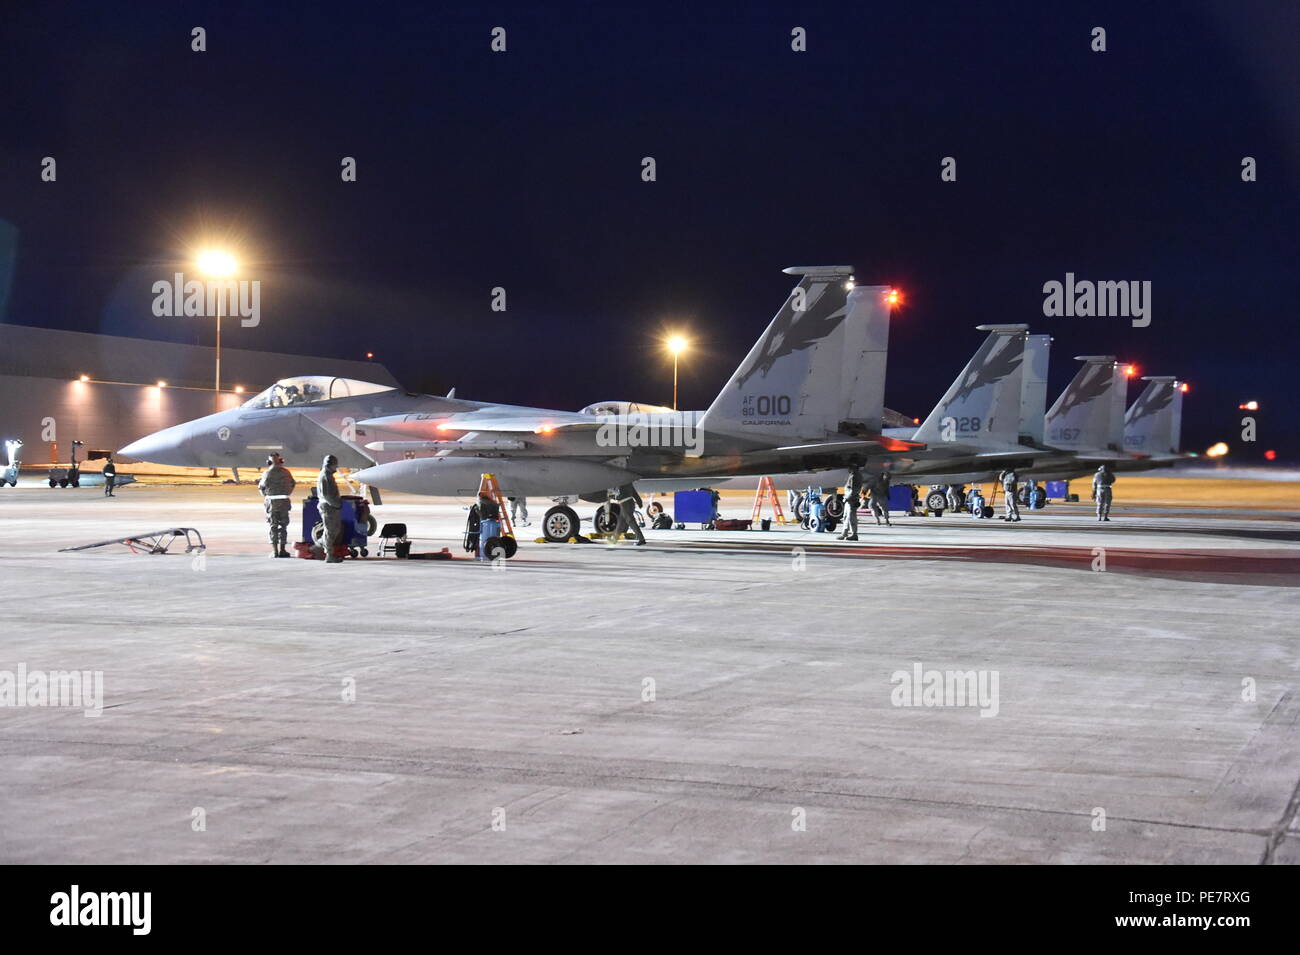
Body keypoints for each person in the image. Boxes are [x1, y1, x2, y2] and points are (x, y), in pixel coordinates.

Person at [258, 453, 296, 557]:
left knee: (273, 526)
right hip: (284, 501)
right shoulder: (286, 472)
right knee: (283, 526)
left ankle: (275, 551)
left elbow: (261, 487)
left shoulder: (267, 473)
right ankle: (282, 550)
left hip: (272, 503)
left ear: (269, 462)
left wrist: (265, 495)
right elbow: (292, 484)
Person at [317, 454, 344, 563]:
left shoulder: (327, 475)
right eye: (335, 465)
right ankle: (328, 554)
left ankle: (322, 545)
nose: (336, 467)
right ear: (330, 465)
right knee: (330, 530)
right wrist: (337, 504)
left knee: (334, 529)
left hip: (330, 506)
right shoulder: (326, 476)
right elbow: (327, 495)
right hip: (329, 507)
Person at [838, 466, 864, 541]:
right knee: (846, 516)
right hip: (849, 499)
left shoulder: (854, 476)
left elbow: (853, 490)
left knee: (851, 517)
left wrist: (847, 498)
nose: (848, 469)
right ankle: (844, 533)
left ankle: (854, 534)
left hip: (851, 500)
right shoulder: (855, 475)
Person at [477, 492, 501, 560]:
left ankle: (484, 553)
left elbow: (483, 516)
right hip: (495, 521)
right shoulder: (492, 502)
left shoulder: (482, 502)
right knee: (495, 537)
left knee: (485, 540)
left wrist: (476, 510)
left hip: (487, 522)